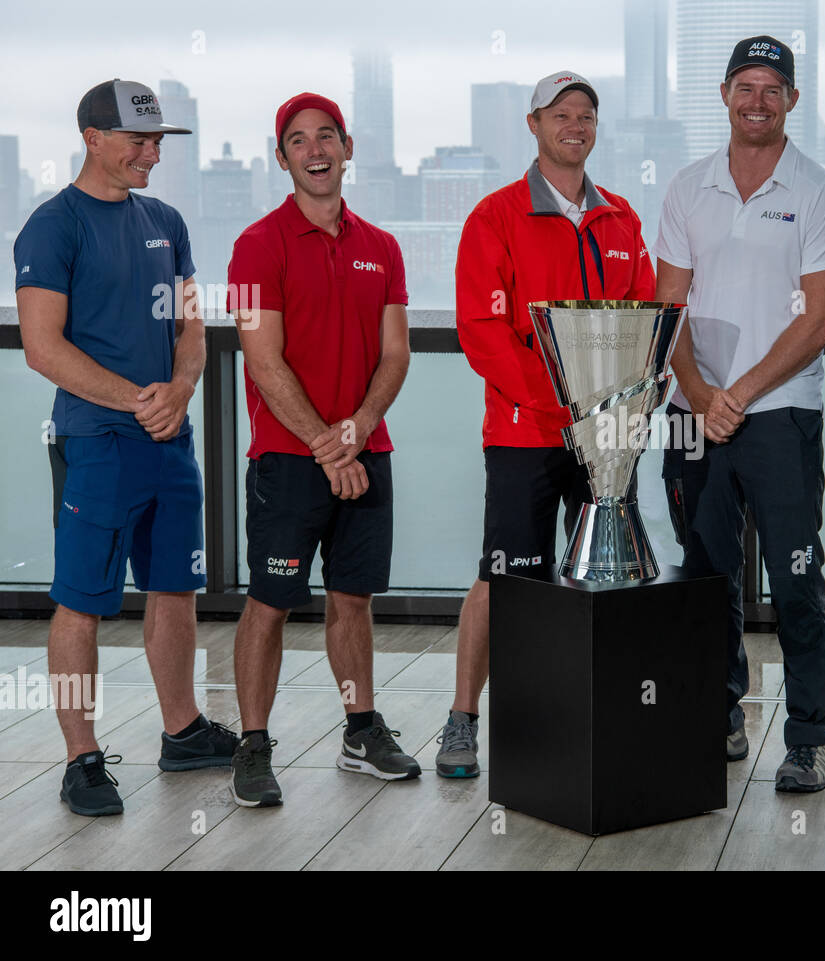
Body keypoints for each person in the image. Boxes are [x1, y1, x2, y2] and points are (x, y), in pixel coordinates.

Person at [14, 79, 236, 816]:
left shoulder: (166, 220)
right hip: (98, 442)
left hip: (169, 441)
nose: (151, 153)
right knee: (82, 602)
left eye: (159, 141)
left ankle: (182, 730)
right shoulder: (53, 227)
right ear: (93, 138)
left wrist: (177, 391)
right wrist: (141, 400)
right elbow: (42, 349)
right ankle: (81, 757)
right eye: (139, 141)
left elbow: (193, 325)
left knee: (174, 586)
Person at [443, 71, 656, 778]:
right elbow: (484, 334)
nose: (575, 124)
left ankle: (582, 716)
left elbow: (646, 326)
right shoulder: (494, 217)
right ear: (533, 124)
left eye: (586, 114)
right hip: (524, 436)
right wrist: (561, 407)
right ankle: (463, 719)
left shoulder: (620, 219)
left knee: (602, 578)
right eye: (560, 114)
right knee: (503, 579)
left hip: (606, 443)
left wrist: (613, 417)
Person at [655, 36, 825, 792]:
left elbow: (821, 319)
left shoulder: (818, 189)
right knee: (705, 575)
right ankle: (719, 709)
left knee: (796, 574)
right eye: (746, 86)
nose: (758, 100)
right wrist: (702, 395)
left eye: (774, 88)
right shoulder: (687, 187)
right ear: (725, 93)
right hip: (691, 411)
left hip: (781, 414)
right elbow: (668, 305)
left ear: (793, 101)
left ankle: (808, 734)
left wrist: (738, 393)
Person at [225, 92, 417, 807]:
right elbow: (262, 359)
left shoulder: (384, 248)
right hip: (286, 460)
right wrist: (324, 446)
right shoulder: (254, 246)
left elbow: (395, 354)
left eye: (326, 137)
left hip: (366, 450)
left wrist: (358, 430)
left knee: (352, 600)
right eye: (299, 141)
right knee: (269, 603)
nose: (315, 151)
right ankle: (253, 742)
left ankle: (359, 728)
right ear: (283, 158)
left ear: (347, 147)